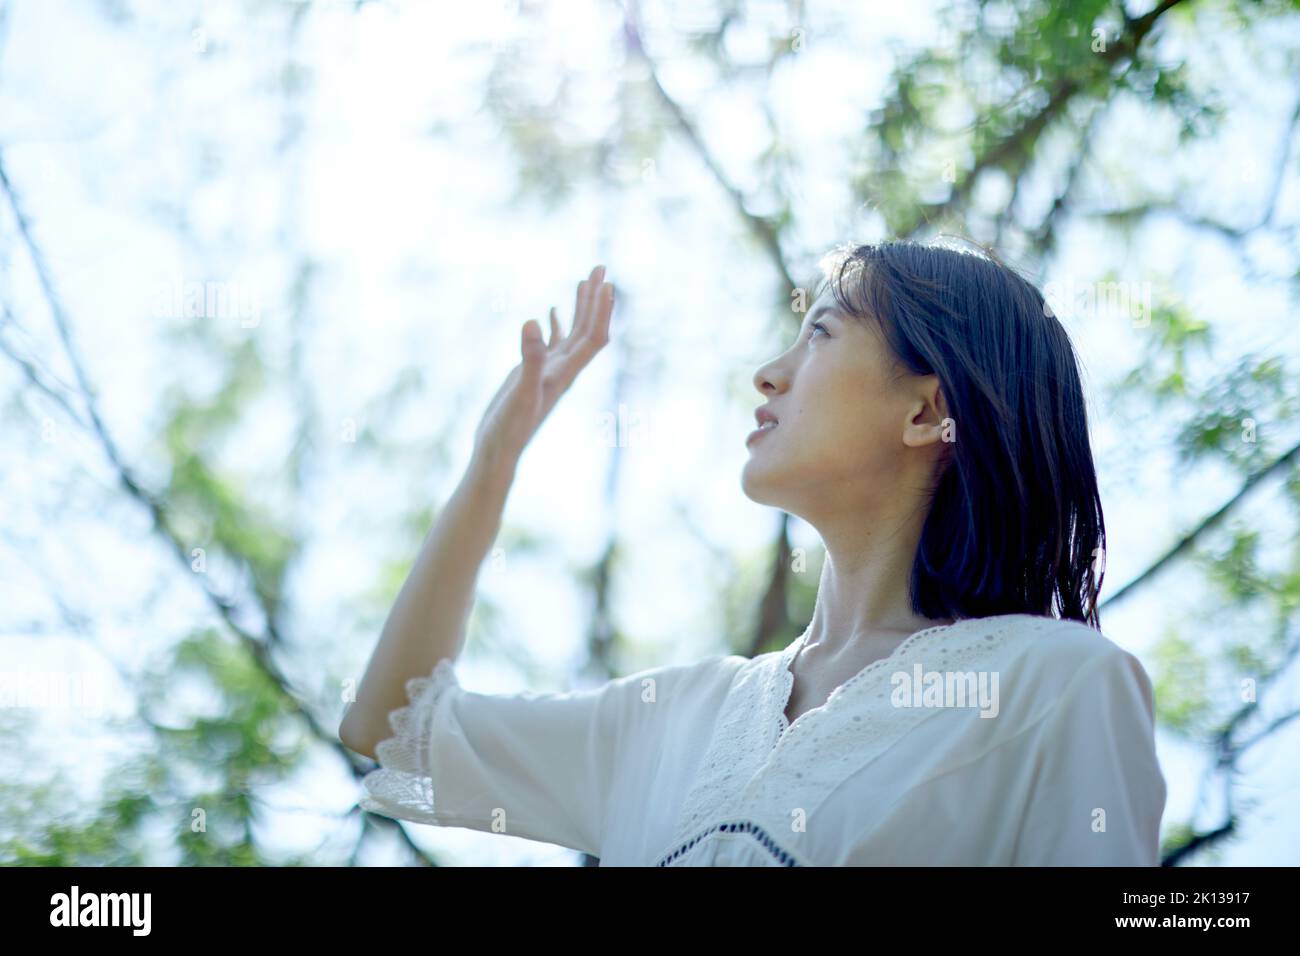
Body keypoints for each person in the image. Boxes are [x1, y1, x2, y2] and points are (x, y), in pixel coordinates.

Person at [339, 244, 1168, 866]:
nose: (769, 375)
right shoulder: (673, 716)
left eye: (821, 334)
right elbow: (388, 729)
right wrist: (494, 464)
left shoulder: (1057, 685)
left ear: (926, 414)